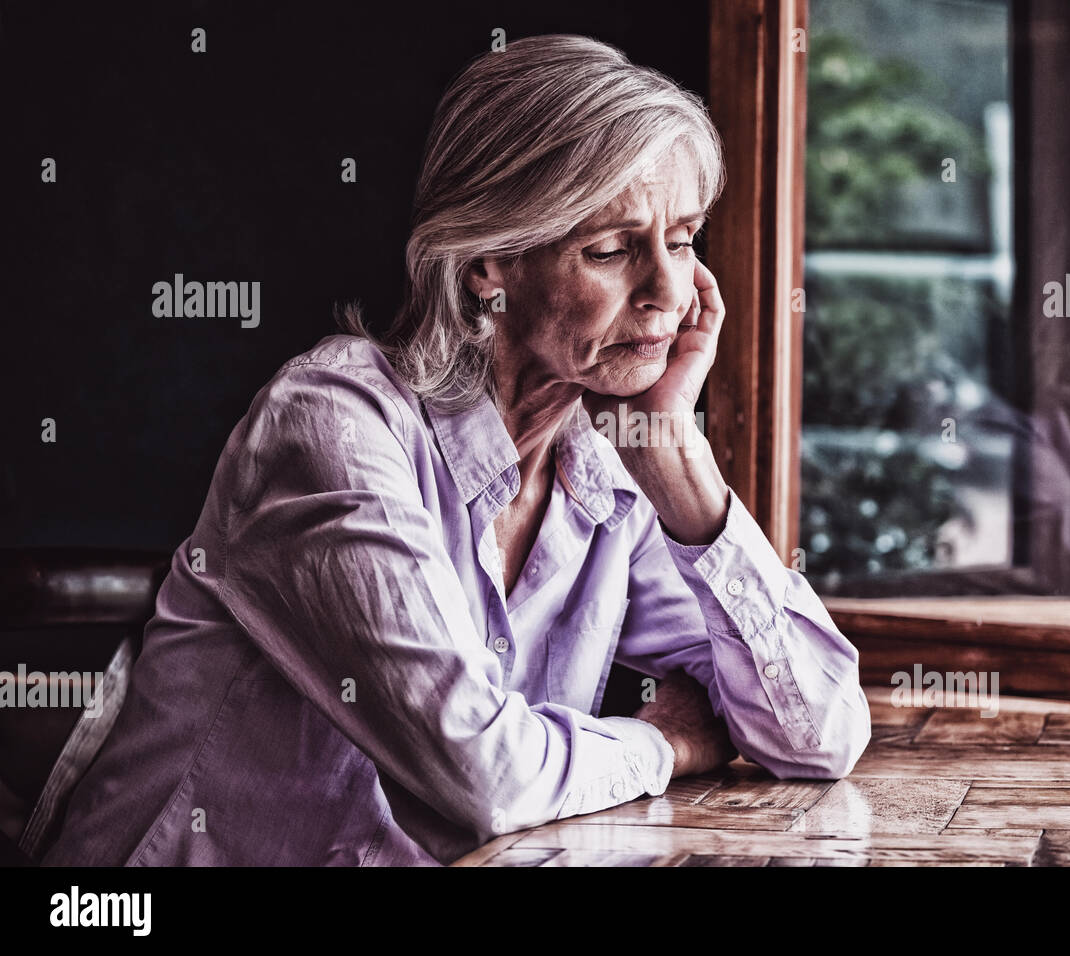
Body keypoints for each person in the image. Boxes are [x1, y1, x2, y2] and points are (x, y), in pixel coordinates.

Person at [42, 34, 870, 867]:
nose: (668, 290)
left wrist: (677, 452)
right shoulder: (329, 425)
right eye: (613, 249)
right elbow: (484, 777)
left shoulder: (606, 461)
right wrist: (662, 745)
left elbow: (820, 736)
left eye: (684, 239)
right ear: (488, 264)